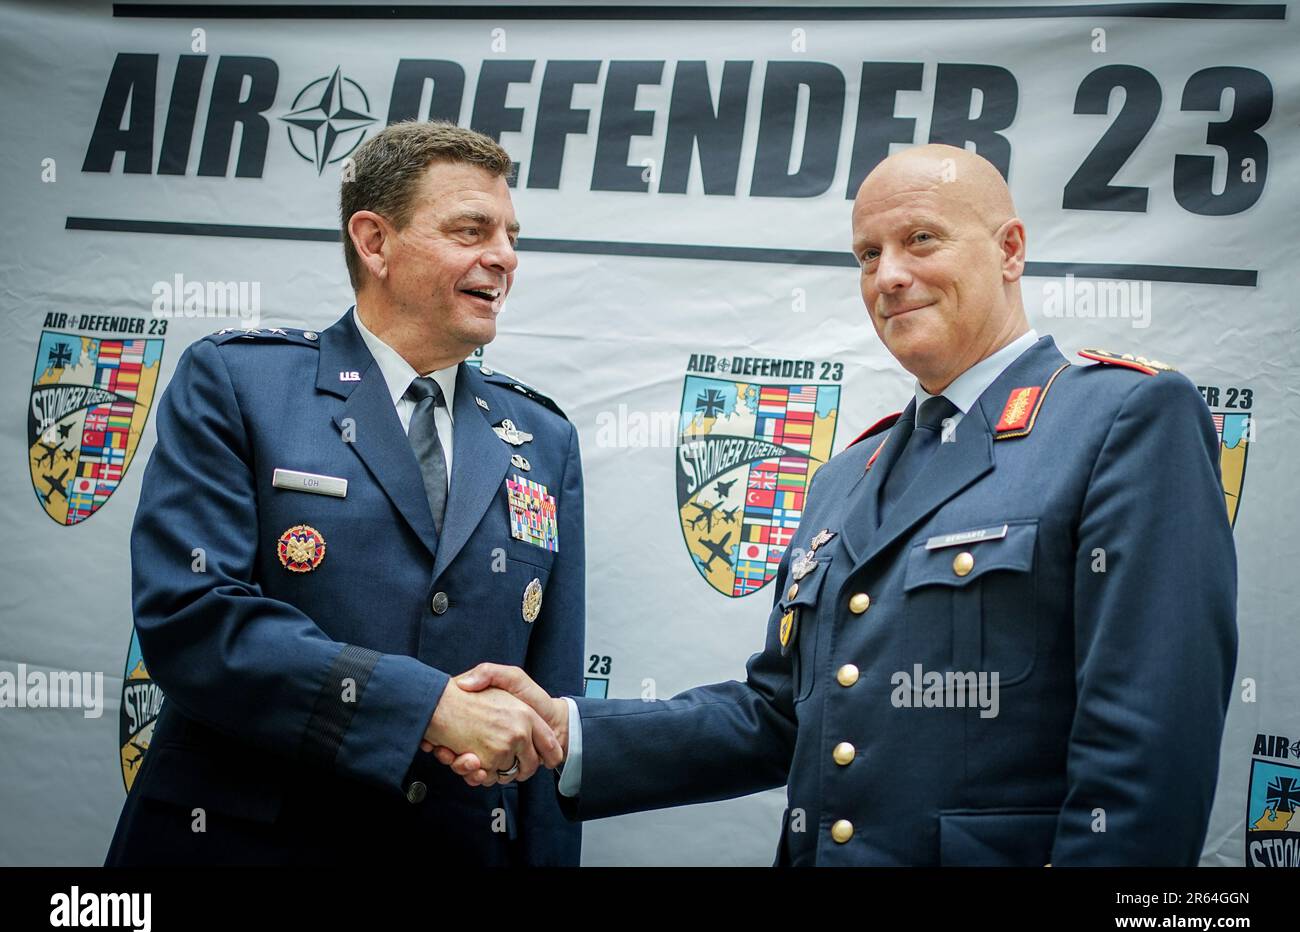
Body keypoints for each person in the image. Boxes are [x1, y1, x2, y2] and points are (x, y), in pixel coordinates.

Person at [432, 144, 1238, 866]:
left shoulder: (1121, 419)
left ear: (1010, 251)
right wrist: (569, 732)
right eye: (867, 253)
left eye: (920, 239)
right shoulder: (848, 474)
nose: (888, 275)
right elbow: (780, 716)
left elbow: (1147, 751)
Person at [105, 122, 584, 866]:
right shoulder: (241, 385)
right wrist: (427, 708)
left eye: (511, 234)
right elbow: (192, 619)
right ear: (374, 241)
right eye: (471, 229)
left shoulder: (542, 439)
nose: (505, 257)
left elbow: (549, 710)